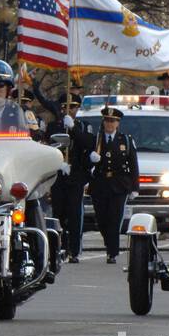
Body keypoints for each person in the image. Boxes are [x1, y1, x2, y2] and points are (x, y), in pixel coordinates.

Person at [87, 105, 139, 263]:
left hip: (119, 185)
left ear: (118, 123)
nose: (109, 124)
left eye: (113, 121)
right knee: (102, 220)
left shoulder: (126, 140)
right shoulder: (96, 139)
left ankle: (112, 253)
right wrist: (91, 159)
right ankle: (109, 244)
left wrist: (135, 187)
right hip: (100, 185)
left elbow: (133, 164)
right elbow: (85, 162)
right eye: (107, 121)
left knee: (114, 219)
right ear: (103, 122)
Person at [48, 94, 96, 263]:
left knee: (74, 215)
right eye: (65, 107)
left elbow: (89, 143)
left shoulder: (84, 126)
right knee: (58, 214)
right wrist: (58, 162)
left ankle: (74, 250)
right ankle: (58, 249)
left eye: (73, 107)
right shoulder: (53, 126)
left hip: (76, 176)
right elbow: (48, 146)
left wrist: (73, 128)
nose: (69, 110)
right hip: (58, 176)